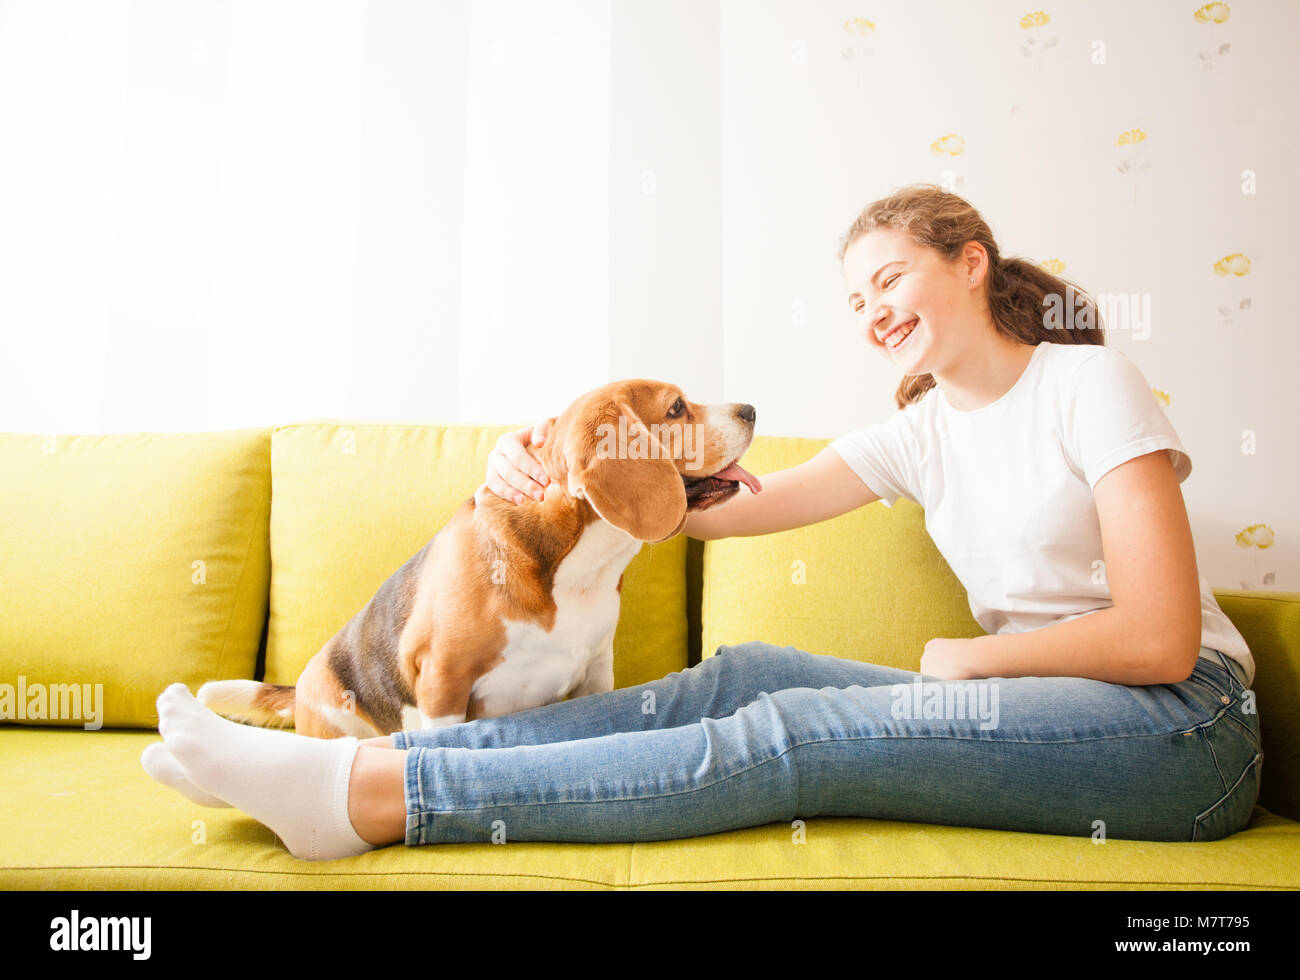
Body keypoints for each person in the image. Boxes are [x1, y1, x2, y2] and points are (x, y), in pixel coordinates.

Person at [142, 183, 1261, 861]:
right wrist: (554, 469)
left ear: (970, 265)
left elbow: (1161, 640)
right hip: (1030, 704)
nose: (871, 312)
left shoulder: (1087, 382)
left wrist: (972, 656)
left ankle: (369, 792)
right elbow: (710, 508)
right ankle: (340, 761)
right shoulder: (919, 435)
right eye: (855, 299)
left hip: (1178, 731)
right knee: (740, 674)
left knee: (798, 735)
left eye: (889, 279)